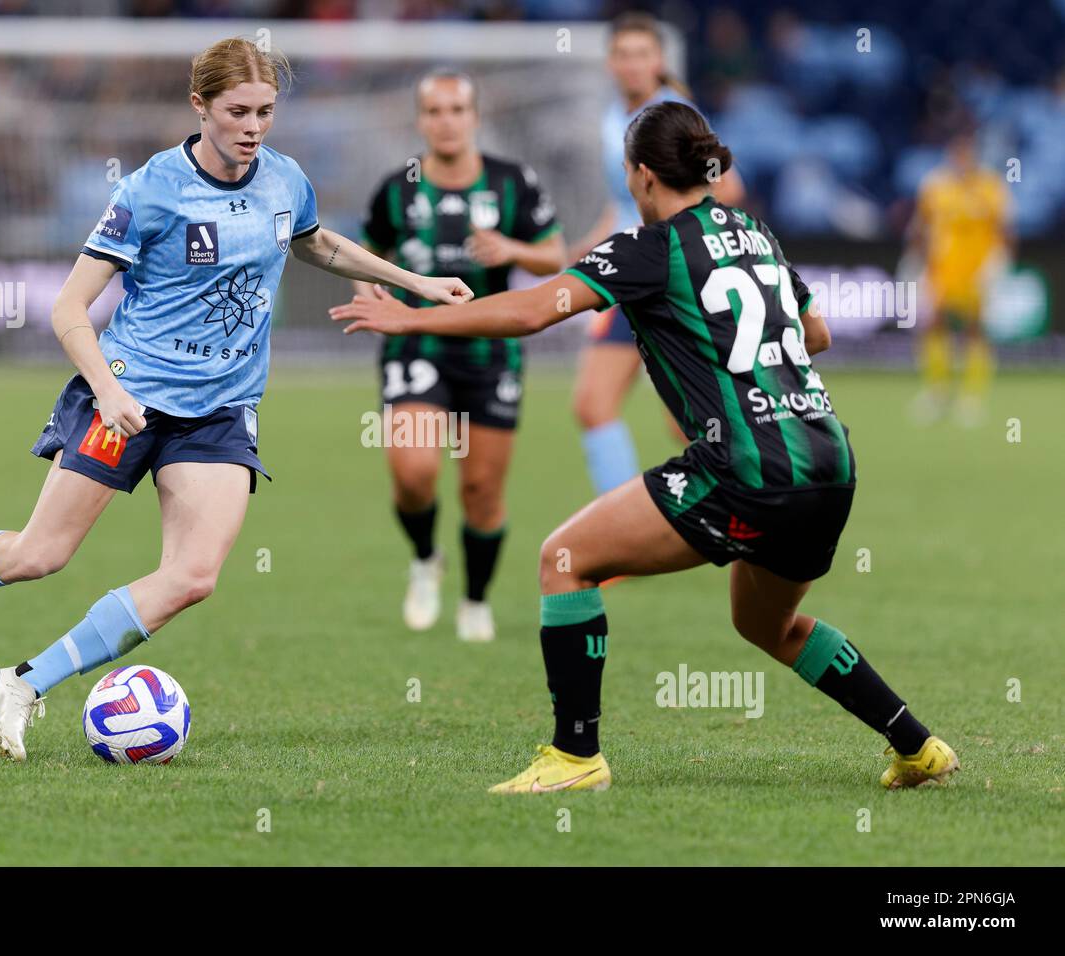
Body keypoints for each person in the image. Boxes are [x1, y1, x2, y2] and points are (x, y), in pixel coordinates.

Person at [0, 38, 471, 761]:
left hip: (219, 412)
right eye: (237, 111)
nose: (253, 126)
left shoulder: (285, 179)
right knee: (40, 553)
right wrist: (109, 393)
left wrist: (414, 283)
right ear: (199, 106)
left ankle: (23, 683)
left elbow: (313, 241)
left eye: (266, 111)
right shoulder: (151, 189)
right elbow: (68, 310)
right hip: (131, 396)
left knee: (194, 576)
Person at [332, 102, 958, 794]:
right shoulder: (753, 230)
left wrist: (411, 314)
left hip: (747, 471)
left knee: (564, 561)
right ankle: (916, 745)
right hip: (829, 466)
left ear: (642, 175)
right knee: (765, 624)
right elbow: (816, 334)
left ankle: (575, 757)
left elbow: (533, 310)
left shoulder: (647, 248)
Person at [356, 69, 564, 641]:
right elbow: (363, 254)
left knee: (481, 491)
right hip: (415, 341)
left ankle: (475, 599)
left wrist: (511, 248)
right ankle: (425, 558)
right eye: (434, 111)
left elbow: (555, 256)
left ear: (474, 117)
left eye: (456, 110)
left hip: (490, 349)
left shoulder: (511, 181)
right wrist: (365, 289)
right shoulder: (397, 188)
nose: (445, 121)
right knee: (415, 473)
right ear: (421, 120)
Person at [572, 13, 743, 495]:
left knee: (679, 418)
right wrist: (584, 250)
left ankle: (745, 511)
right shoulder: (615, 119)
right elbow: (623, 205)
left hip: (666, 275)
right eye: (623, 55)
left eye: (642, 55)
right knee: (602, 405)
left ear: (659, 61)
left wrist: (671, 244)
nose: (632, 65)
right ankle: (624, 534)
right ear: (610, 63)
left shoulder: (673, 116)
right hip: (637, 273)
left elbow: (729, 188)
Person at [907, 127, 1012, 426]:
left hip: (976, 271)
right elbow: (920, 226)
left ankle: (972, 397)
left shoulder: (991, 187)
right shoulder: (936, 186)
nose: (963, 159)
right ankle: (937, 392)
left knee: (974, 329)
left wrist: (998, 263)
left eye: (968, 153)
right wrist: (915, 260)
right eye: (958, 153)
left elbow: (1004, 230)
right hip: (942, 269)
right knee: (933, 324)